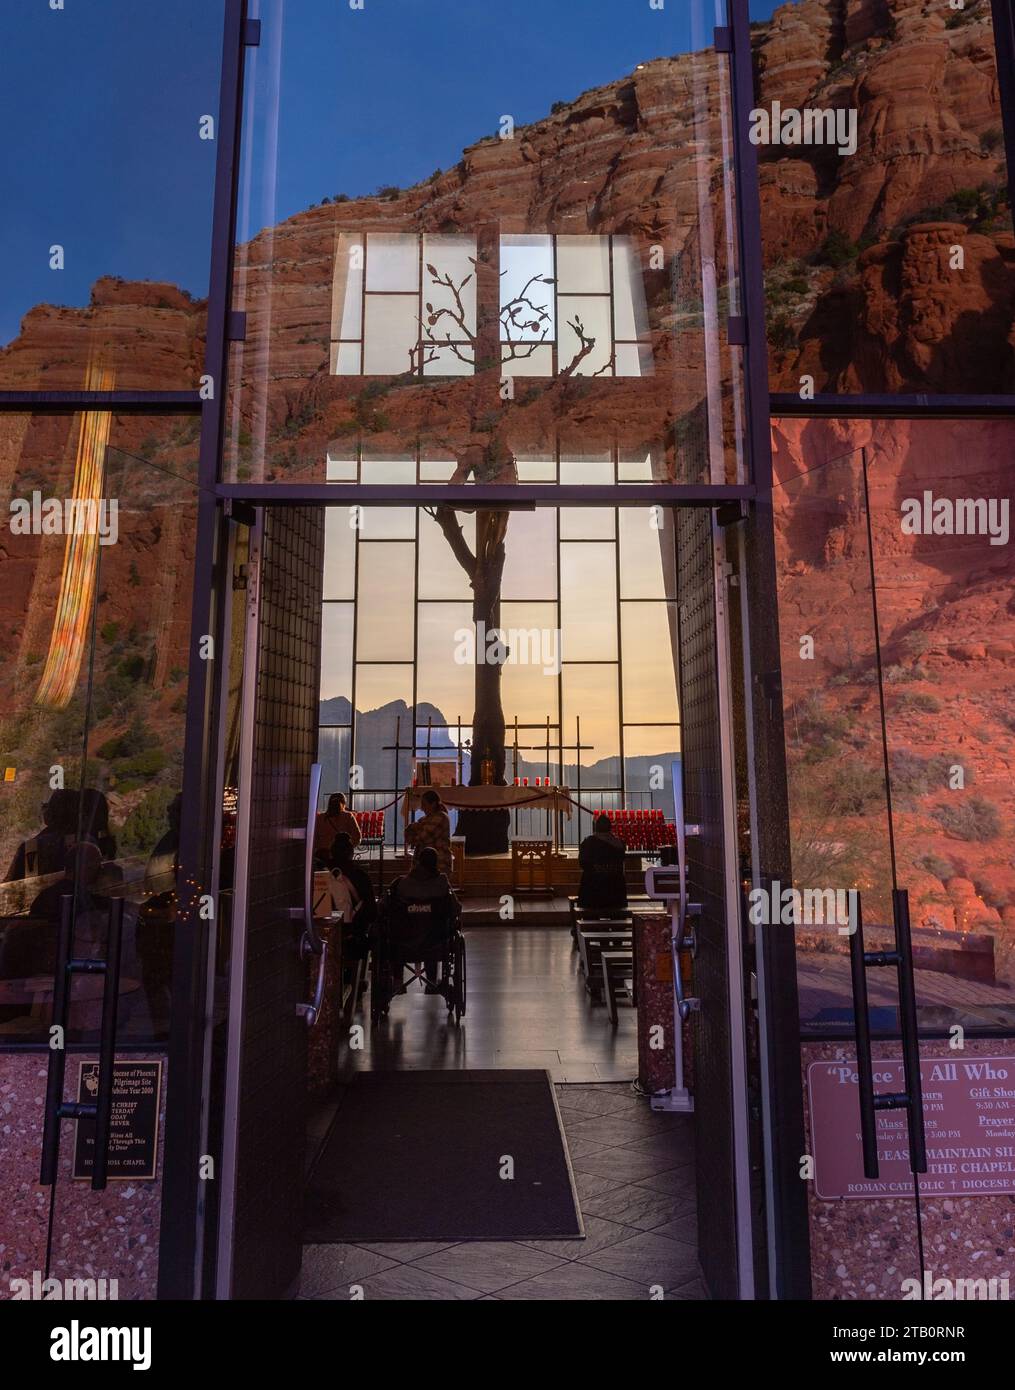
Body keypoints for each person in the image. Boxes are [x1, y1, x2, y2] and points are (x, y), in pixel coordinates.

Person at [390, 845, 458, 994]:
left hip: (403, 941)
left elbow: (387, 910)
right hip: (435, 942)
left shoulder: (401, 884)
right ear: (435, 864)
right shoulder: (441, 883)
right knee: (434, 928)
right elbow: (455, 909)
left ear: (418, 863)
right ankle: (432, 981)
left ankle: (397, 980)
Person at [5, 788, 80, 882]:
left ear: (51, 813)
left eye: (48, 807)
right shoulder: (89, 840)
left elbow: (11, 889)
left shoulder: (32, 847)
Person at [577, 813, 628, 914]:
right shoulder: (619, 844)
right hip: (615, 891)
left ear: (595, 827)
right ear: (610, 827)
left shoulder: (589, 843)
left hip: (593, 891)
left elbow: (583, 863)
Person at [404, 789, 452, 877]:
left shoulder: (441, 817)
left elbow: (424, 837)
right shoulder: (424, 819)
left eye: (424, 804)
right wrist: (418, 829)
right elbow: (408, 835)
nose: (422, 808)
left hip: (439, 863)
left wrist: (417, 829)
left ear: (433, 804)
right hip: (422, 864)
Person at [313, 792, 361, 866]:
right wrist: (348, 848)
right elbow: (357, 837)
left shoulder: (320, 818)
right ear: (344, 803)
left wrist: (322, 847)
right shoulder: (348, 817)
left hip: (324, 855)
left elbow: (314, 838)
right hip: (342, 856)